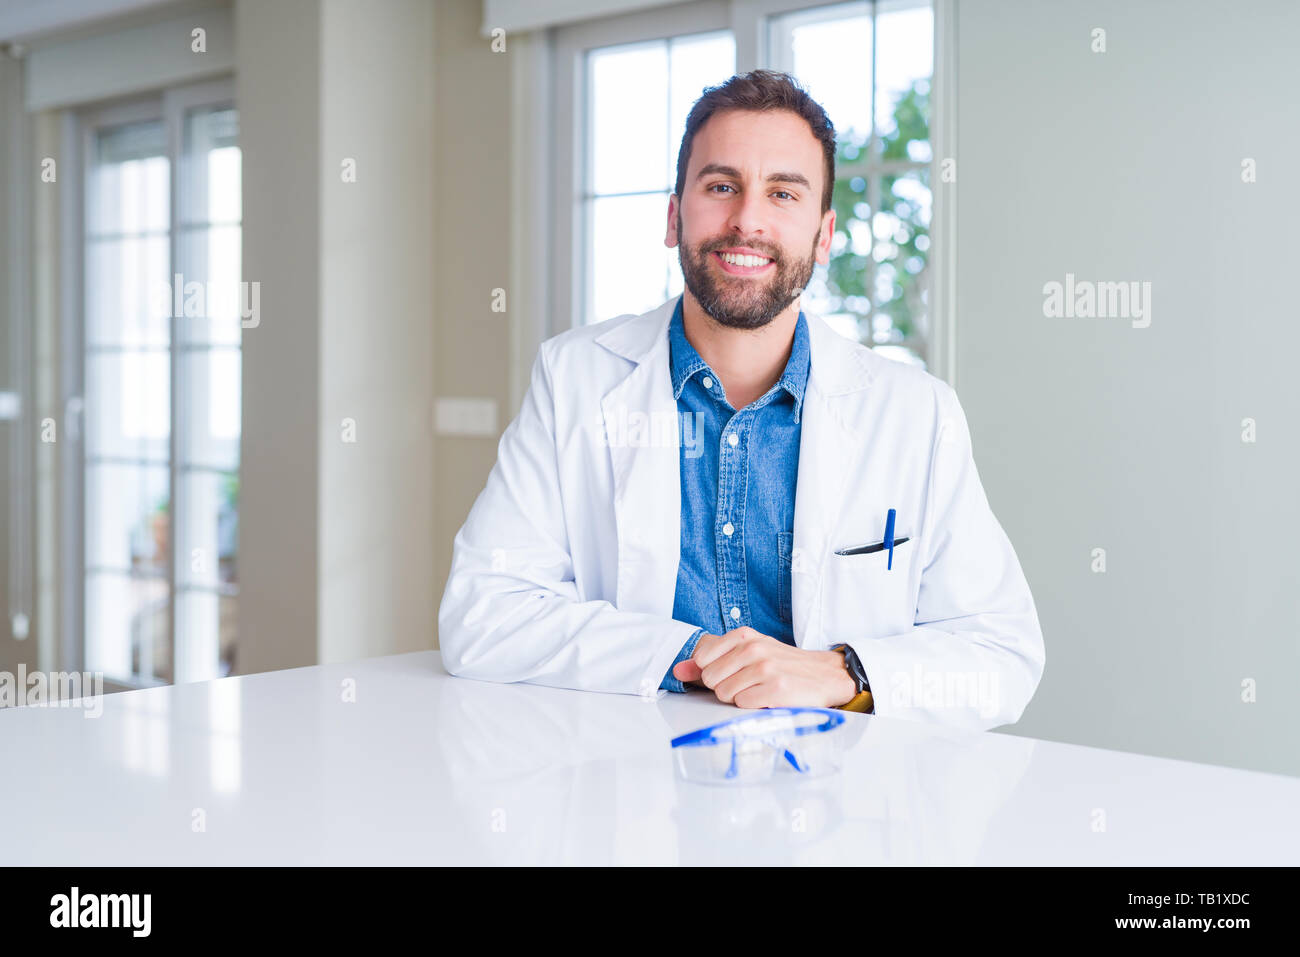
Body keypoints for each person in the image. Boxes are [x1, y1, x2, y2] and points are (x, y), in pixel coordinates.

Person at [438, 70, 1044, 731]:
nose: (748, 219)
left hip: (848, 807)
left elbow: (1001, 653)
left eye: (783, 192)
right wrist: (689, 653)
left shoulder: (916, 414)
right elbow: (482, 612)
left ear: (824, 234)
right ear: (674, 216)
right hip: (635, 789)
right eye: (721, 186)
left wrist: (842, 672)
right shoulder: (573, 378)